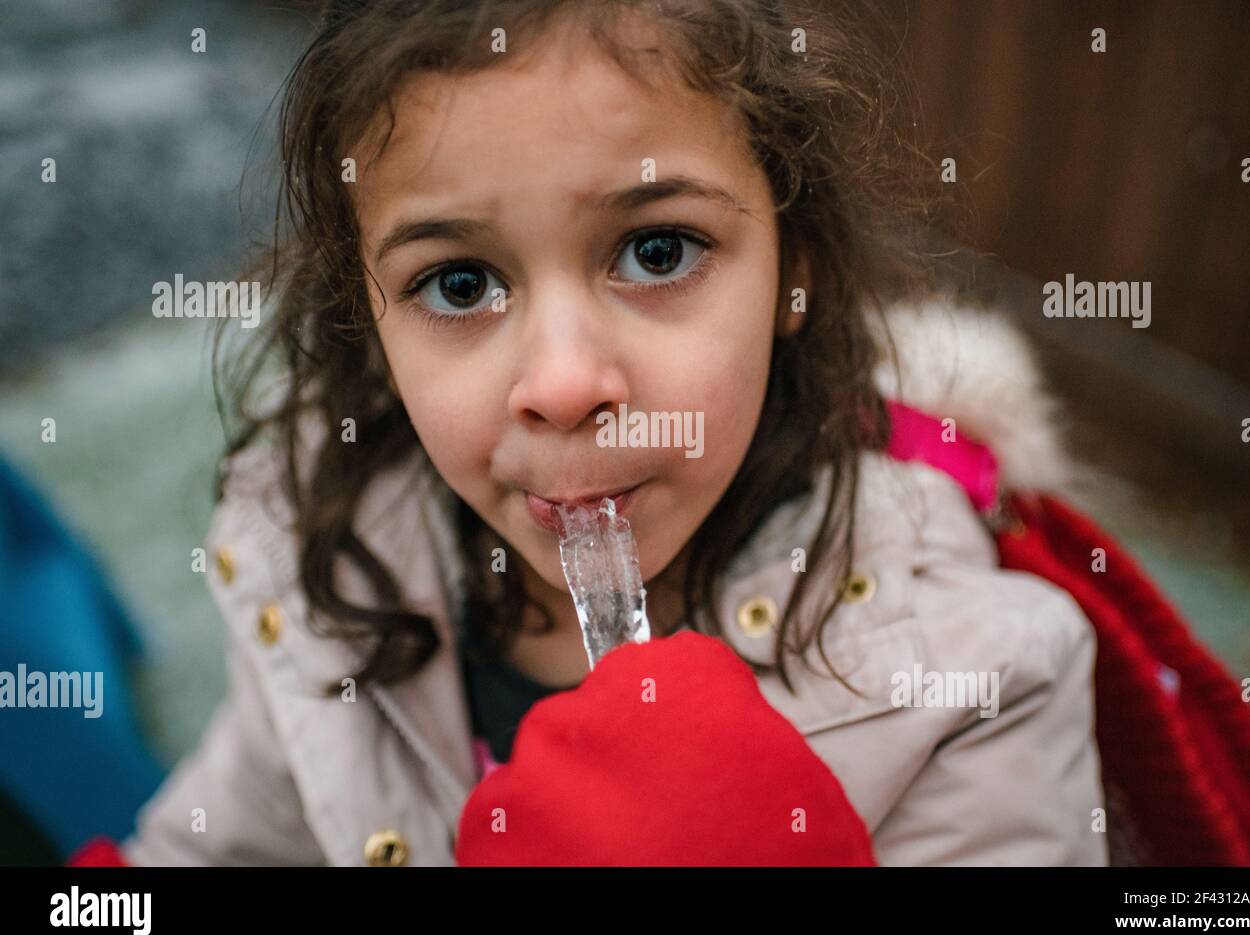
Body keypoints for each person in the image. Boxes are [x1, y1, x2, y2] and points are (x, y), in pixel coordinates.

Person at [78, 0, 1112, 865]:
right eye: (459, 281)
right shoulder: (336, 572)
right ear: (370, 316)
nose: (565, 384)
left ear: (794, 268)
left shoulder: (976, 682)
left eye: (657, 249)